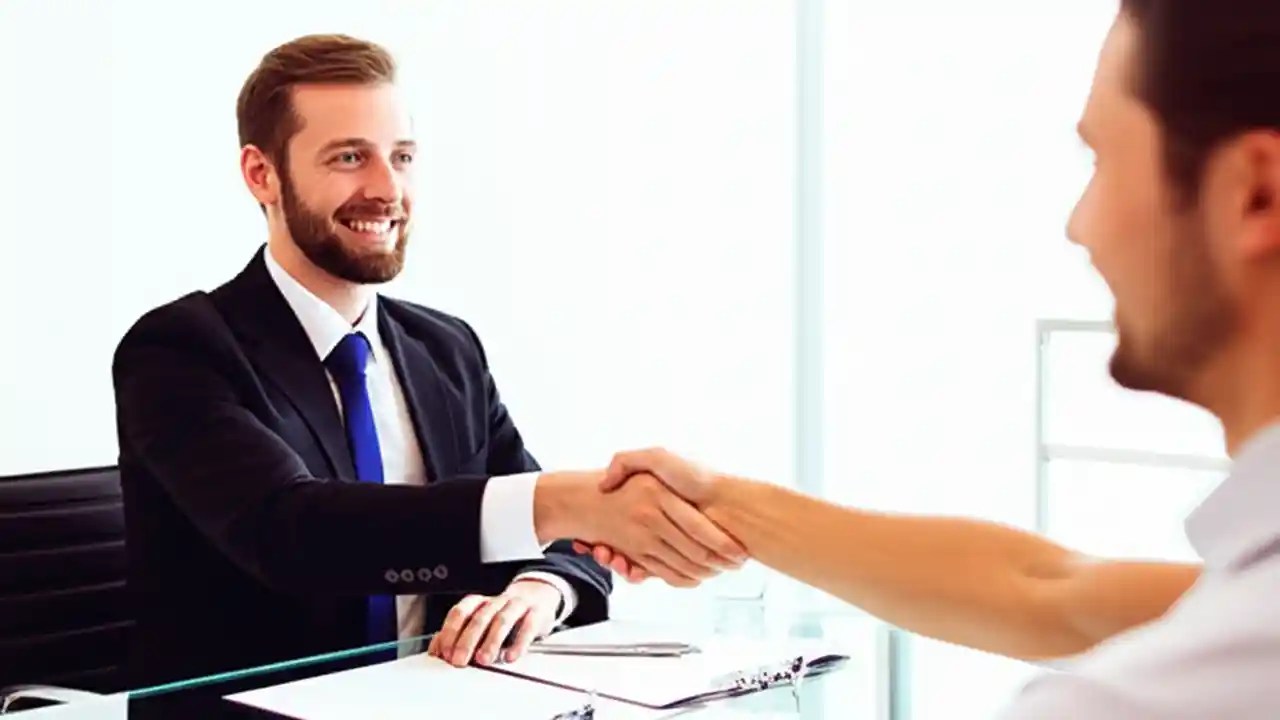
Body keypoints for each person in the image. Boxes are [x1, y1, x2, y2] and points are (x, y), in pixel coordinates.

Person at [586, 1, 1280, 716]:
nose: (1081, 228)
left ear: (1253, 192)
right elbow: (1051, 590)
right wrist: (727, 507)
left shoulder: (1142, 700)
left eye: (1104, 160)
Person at [111, 33, 744, 687]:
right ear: (261, 174)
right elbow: (293, 536)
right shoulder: (179, 351)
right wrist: (564, 500)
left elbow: (558, 539)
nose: (388, 189)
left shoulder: (444, 350)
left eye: (403, 157)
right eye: (350, 157)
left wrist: (538, 592)